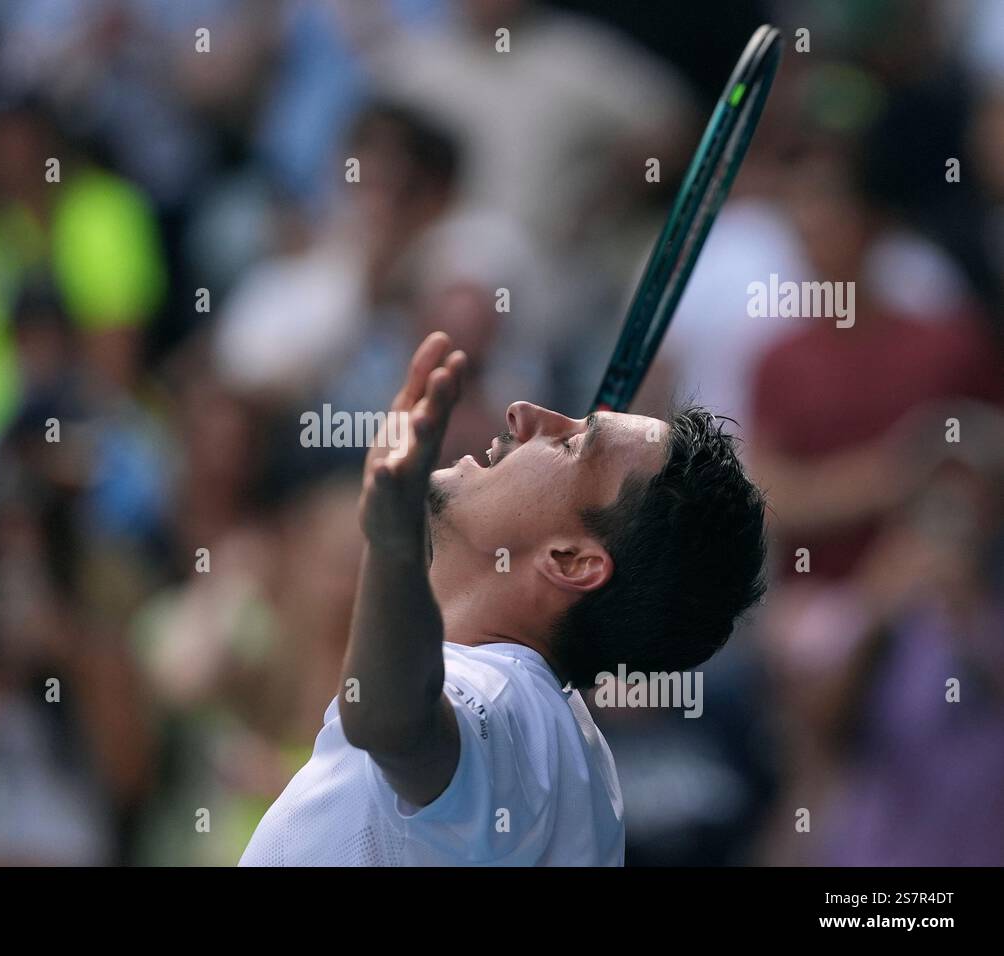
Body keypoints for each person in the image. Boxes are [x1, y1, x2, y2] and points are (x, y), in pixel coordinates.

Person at [240, 332, 768, 866]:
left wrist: (392, 532)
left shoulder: (506, 702)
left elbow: (390, 723)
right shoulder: (559, 739)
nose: (523, 413)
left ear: (571, 561)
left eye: (571, 444)